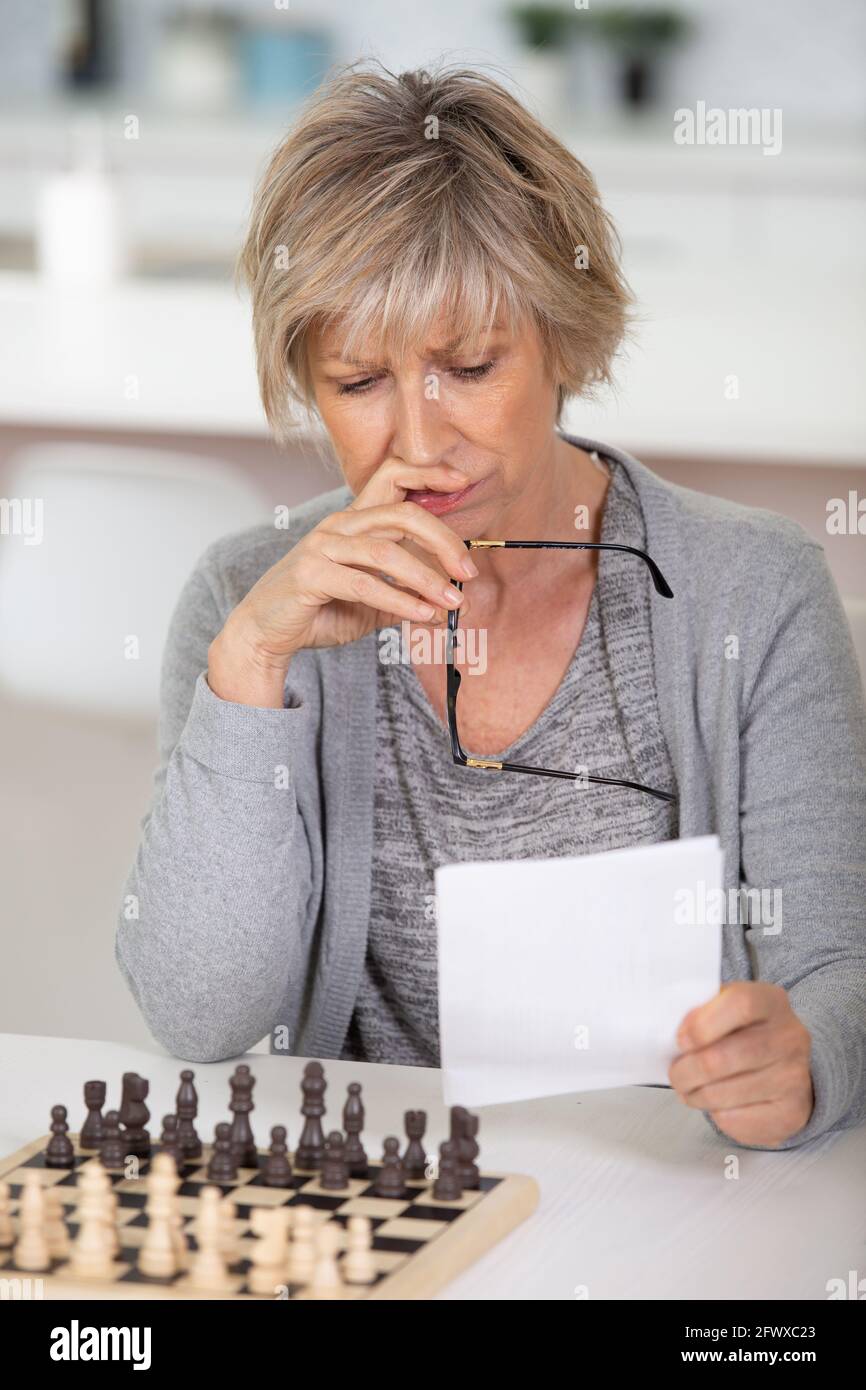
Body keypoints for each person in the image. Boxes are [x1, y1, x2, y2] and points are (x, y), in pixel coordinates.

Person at [116, 61, 866, 1151]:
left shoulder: (750, 591)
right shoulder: (246, 600)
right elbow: (198, 1011)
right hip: (374, 1207)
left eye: (467, 366)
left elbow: (838, 972)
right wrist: (251, 662)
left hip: (667, 1204)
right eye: (358, 383)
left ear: (561, 335)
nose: (417, 445)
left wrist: (804, 1058)